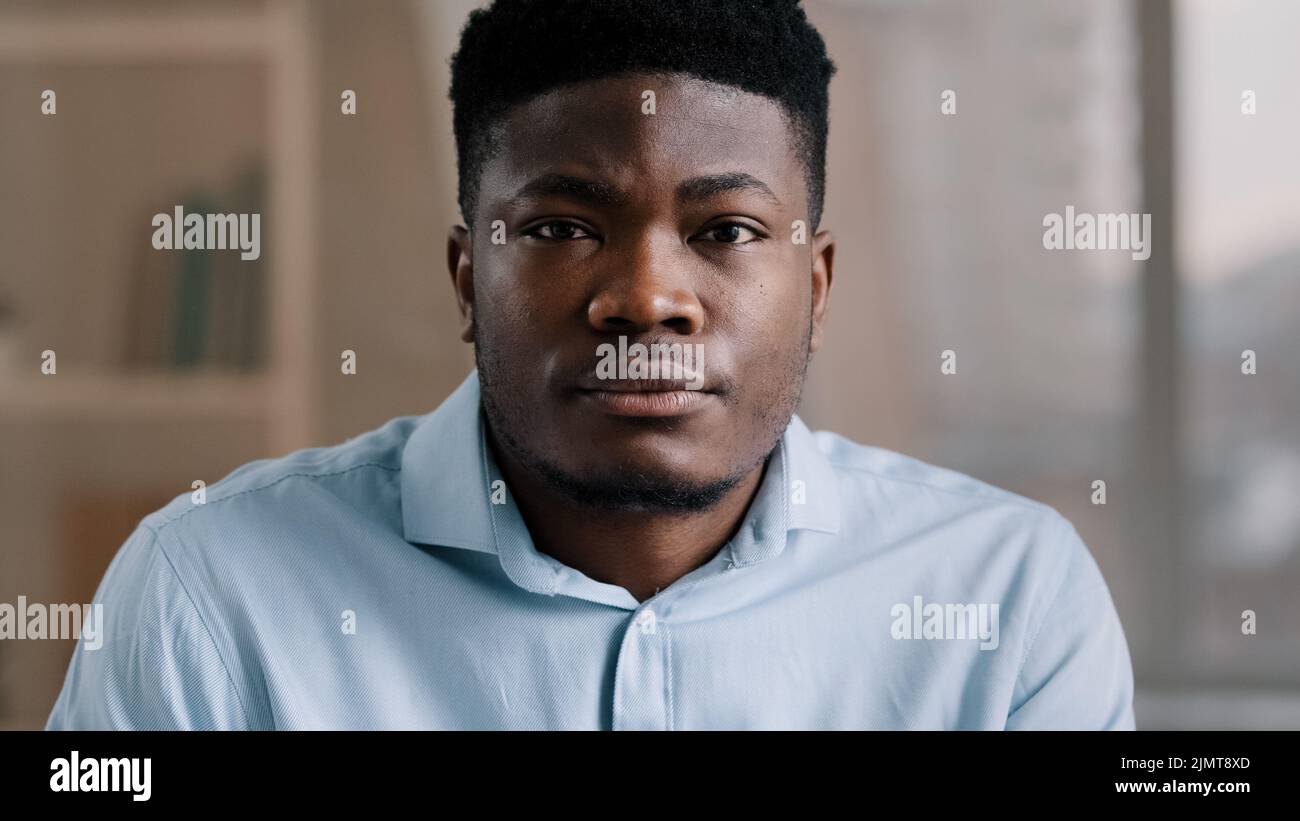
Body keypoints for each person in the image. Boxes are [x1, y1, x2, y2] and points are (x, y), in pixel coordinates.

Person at [47, 0, 1134, 730]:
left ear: (818, 282)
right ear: (468, 279)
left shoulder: (1008, 602)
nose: (648, 295)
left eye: (729, 231)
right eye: (565, 226)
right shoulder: (210, 594)